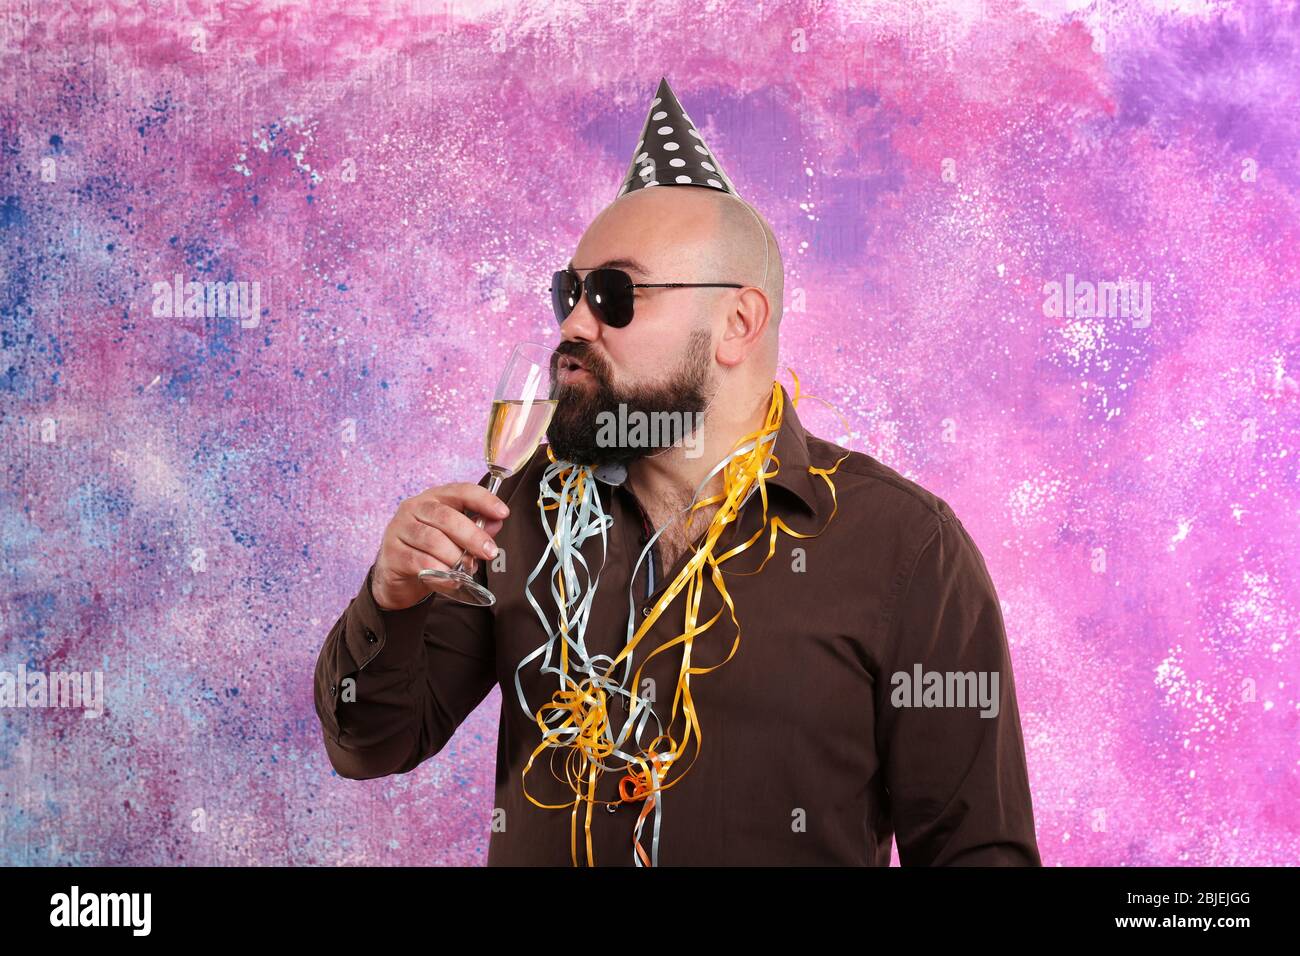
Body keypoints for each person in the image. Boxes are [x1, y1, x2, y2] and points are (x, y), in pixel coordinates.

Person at [313, 77, 1041, 866]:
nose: (571, 324)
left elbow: (979, 852)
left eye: (614, 294)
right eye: (570, 292)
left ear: (737, 322)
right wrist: (390, 601)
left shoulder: (903, 547)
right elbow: (372, 743)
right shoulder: (524, 508)